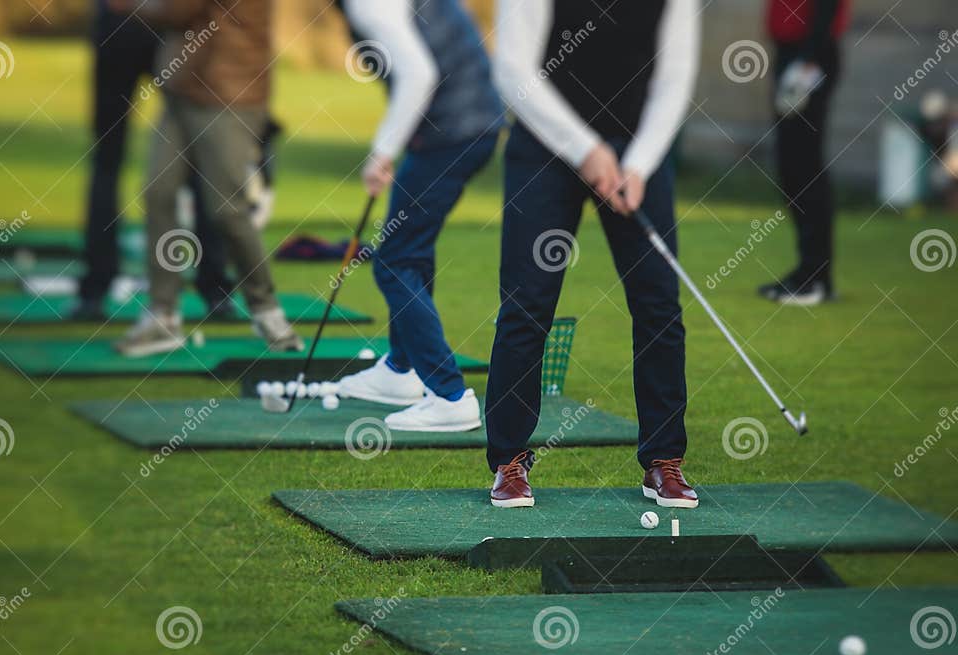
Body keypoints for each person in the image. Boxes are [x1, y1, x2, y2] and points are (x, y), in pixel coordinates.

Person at [486, 0, 700, 508]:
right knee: (528, 302)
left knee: (658, 302)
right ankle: (509, 461)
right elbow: (513, 69)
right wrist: (586, 149)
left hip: (637, 146)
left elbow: (675, 75)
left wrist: (640, 163)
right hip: (543, 145)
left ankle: (664, 460)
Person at [333, 0, 503, 432]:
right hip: (466, 126)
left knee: (394, 261)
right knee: (409, 249)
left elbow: (418, 74)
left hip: (454, 132)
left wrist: (383, 151)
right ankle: (399, 370)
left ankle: (449, 395)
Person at [108, 0, 303, 357]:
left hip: (229, 95)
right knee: (159, 193)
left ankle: (267, 310)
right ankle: (162, 315)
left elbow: (179, 9)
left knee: (227, 210)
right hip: (184, 90)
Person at [73, 0, 269, 321]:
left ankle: (94, 292)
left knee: (109, 160)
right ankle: (215, 291)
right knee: (196, 158)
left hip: (140, 23)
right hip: (171, 26)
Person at [758, 0, 851, 306]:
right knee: (791, 165)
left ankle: (816, 278)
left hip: (809, 55)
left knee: (803, 165)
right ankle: (808, 271)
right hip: (793, 52)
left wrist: (809, 58)